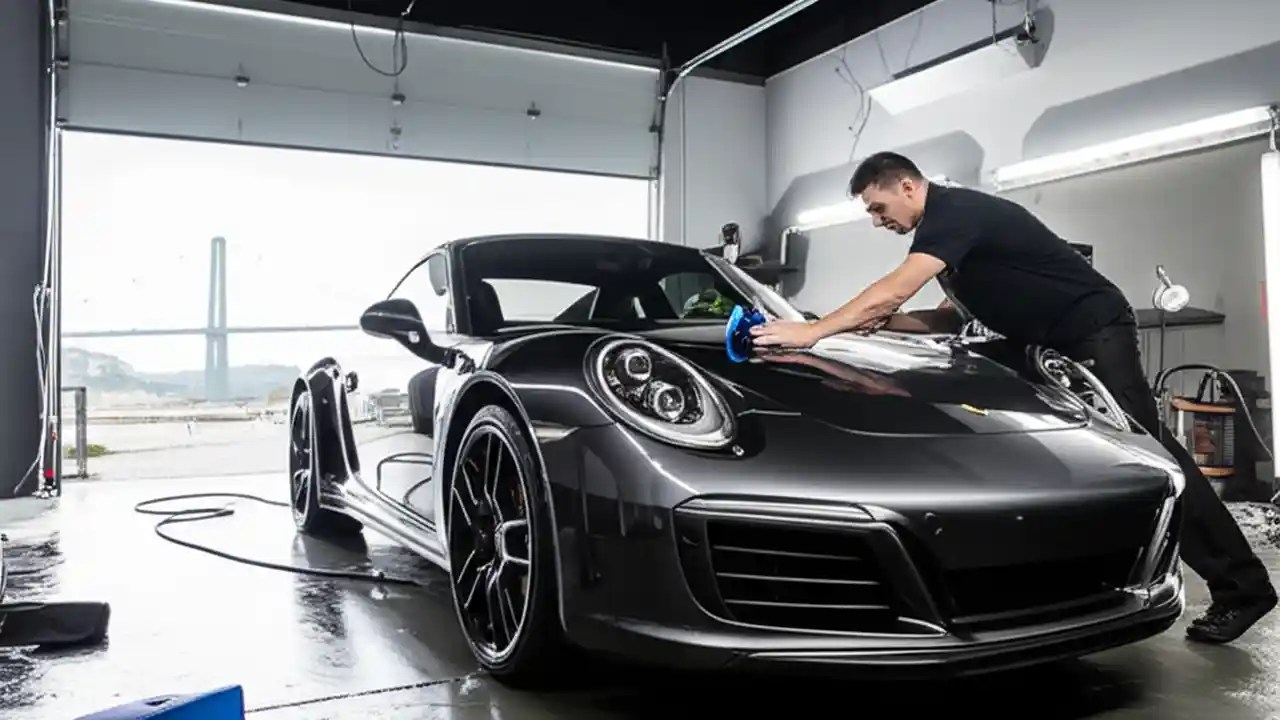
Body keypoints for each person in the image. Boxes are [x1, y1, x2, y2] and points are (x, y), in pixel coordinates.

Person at [751, 151, 1277, 644]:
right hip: (1038, 343)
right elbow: (944, 319)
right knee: (1026, 441)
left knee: (1152, 455)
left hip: (1092, 332)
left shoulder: (953, 212)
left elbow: (894, 288)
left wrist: (814, 331)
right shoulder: (950, 236)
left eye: (878, 208)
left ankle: (1243, 588)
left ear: (907, 186)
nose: (876, 221)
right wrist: (879, 323)